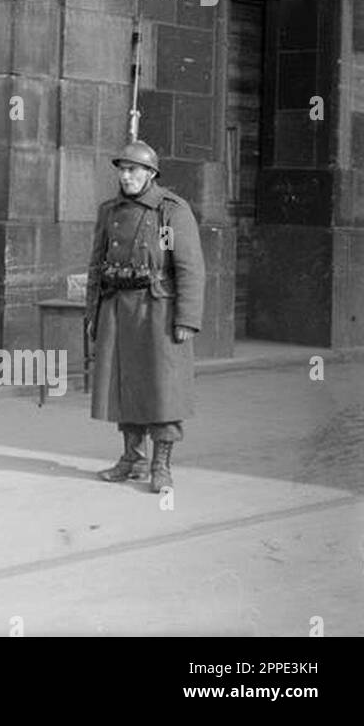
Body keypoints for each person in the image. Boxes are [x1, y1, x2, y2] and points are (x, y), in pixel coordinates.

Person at [87, 140, 205, 493]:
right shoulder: (110, 211)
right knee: (125, 385)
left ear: (151, 173)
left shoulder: (168, 212)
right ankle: (132, 458)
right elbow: (95, 264)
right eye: (122, 169)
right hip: (118, 308)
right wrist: (93, 312)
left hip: (157, 310)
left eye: (133, 169)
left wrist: (186, 318)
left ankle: (161, 466)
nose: (126, 176)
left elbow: (187, 266)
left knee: (163, 389)